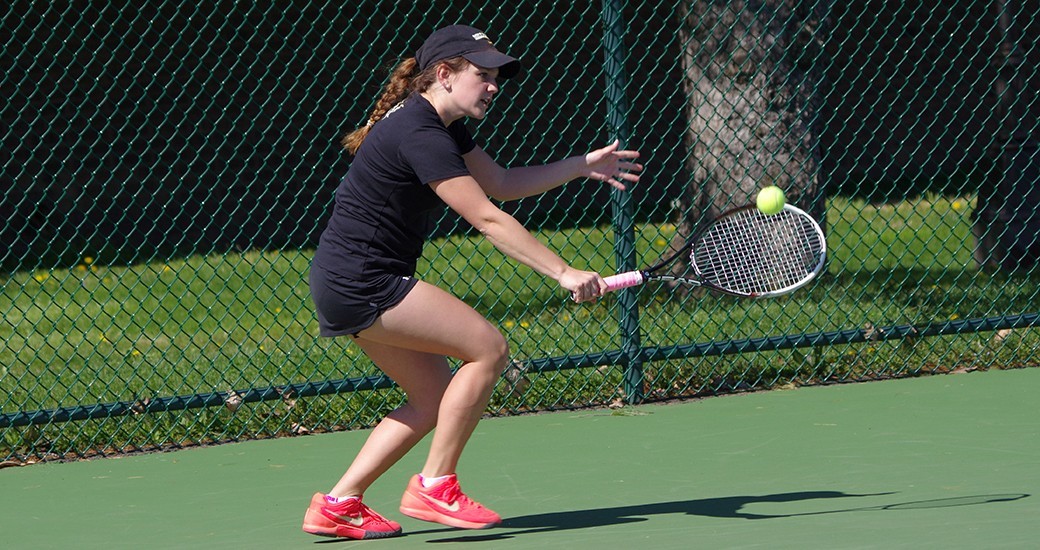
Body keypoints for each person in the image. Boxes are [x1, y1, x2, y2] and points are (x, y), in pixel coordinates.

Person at [301, 24, 643, 540]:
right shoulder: (419, 131)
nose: (492, 86)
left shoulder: (438, 124)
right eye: (481, 75)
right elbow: (485, 218)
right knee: (487, 348)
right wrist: (564, 271)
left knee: (433, 395)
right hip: (364, 280)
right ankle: (435, 486)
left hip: (344, 279)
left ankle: (337, 503)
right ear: (444, 74)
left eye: (495, 77)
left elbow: (500, 185)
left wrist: (580, 166)